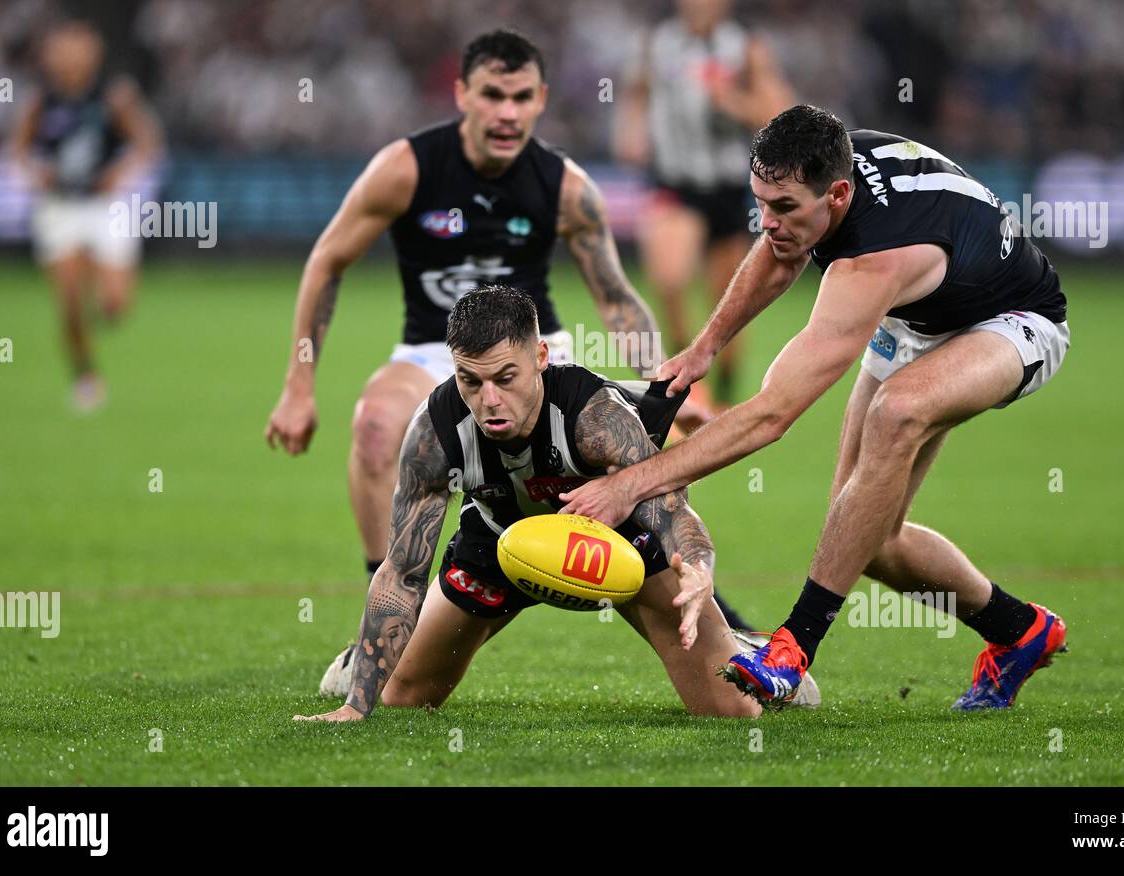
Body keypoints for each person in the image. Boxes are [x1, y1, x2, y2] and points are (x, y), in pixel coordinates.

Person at [264, 29, 749, 694]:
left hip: (537, 354)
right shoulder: (407, 168)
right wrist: (298, 385)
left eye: (522, 97)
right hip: (436, 350)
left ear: (542, 100)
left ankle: (722, 623)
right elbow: (327, 260)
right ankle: (377, 631)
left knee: (665, 454)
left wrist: (667, 386)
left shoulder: (563, 185)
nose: (507, 113)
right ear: (462, 93)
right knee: (377, 425)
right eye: (492, 95)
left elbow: (614, 299)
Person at [560, 105, 1071, 710]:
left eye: (783, 208)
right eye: (760, 202)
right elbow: (778, 253)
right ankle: (1021, 632)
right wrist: (705, 347)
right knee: (865, 539)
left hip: (1012, 323)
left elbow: (773, 414)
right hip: (918, 319)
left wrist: (632, 486)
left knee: (896, 410)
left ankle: (793, 646)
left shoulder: (872, 260)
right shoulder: (827, 166)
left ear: (838, 194)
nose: (766, 221)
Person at [294, 286, 819, 721]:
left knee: (731, 711)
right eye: (470, 382)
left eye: (506, 378)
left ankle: (748, 649)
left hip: (618, 539)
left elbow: (674, 514)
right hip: (499, 539)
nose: (489, 401)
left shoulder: (597, 419)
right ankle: (365, 664)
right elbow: (403, 570)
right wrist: (355, 706)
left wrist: (701, 571)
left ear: (541, 358)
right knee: (403, 697)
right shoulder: (434, 434)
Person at [616, 0, 793, 407]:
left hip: (729, 190)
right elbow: (636, 94)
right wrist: (631, 129)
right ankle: (686, 380)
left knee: (727, 305)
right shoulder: (656, 43)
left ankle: (724, 389)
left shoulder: (745, 48)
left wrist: (731, 101)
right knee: (670, 278)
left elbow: (781, 114)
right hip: (675, 184)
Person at [6, 20, 163, 411]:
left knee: (114, 305)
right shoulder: (40, 101)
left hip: (105, 207)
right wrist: (33, 173)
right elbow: (17, 151)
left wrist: (120, 174)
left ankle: (99, 293)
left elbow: (147, 144)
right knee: (71, 301)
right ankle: (85, 374)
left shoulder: (114, 96)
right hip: (60, 206)